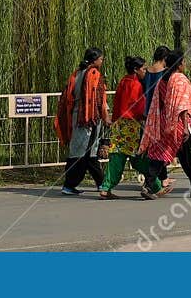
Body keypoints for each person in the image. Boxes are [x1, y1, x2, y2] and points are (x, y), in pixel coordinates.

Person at [138, 49, 191, 199]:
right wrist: (185, 128)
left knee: (160, 155)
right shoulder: (180, 79)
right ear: (179, 64)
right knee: (188, 157)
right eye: (183, 62)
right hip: (177, 124)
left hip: (163, 122)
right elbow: (181, 106)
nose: (185, 64)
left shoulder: (163, 79)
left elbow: (160, 102)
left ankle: (148, 185)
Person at [57, 48, 108, 195]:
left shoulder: (77, 73)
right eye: (101, 59)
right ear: (94, 60)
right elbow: (98, 100)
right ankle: (71, 185)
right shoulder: (93, 75)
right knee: (85, 153)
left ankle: (101, 184)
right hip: (88, 119)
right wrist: (105, 116)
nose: (102, 62)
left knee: (85, 153)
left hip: (76, 117)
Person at [99, 55, 147, 198]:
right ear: (136, 70)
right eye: (144, 69)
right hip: (131, 124)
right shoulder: (136, 85)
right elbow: (138, 107)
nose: (145, 71)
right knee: (137, 157)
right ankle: (154, 183)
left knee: (117, 157)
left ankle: (106, 187)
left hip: (119, 123)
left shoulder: (123, 81)